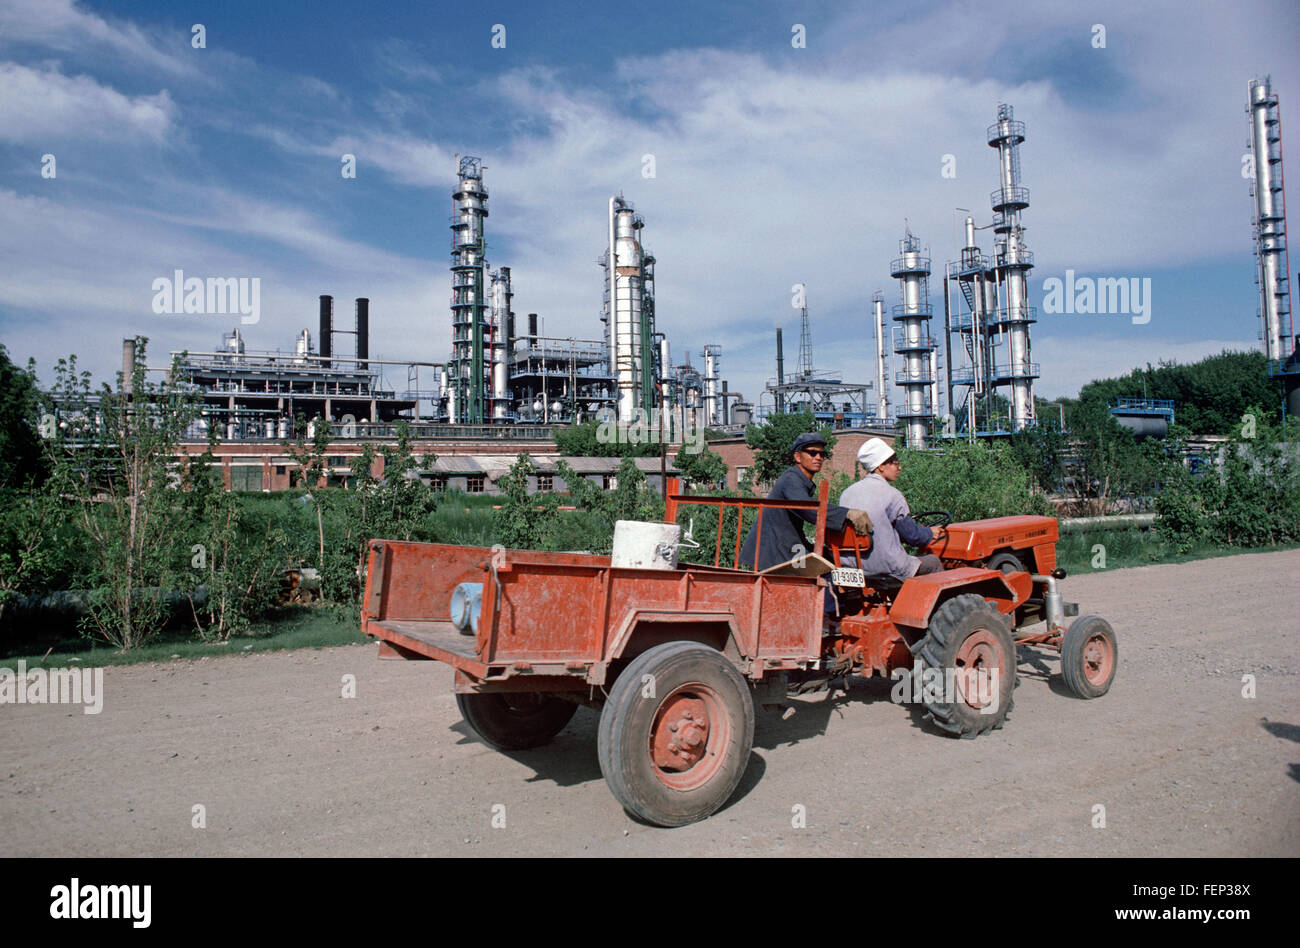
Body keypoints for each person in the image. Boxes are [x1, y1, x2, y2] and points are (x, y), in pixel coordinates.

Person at [739, 432, 874, 571]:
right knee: (824, 575)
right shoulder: (791, 479)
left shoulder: (800, 480)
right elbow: (808, 509)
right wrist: (847, 513)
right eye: (812, 453)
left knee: (828, 561)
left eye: (822, 454)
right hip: (772, 553)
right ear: (797, 456)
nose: (818, 458)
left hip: (785, 546)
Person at [839, 437, 943, 580]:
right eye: (895, 464)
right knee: (933, 562)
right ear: (881, 466)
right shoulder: (893, 495)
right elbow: (912, 536)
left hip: (852, 565)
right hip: (885, 568)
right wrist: (929, 533)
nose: (899, 468)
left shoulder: (846, 493)